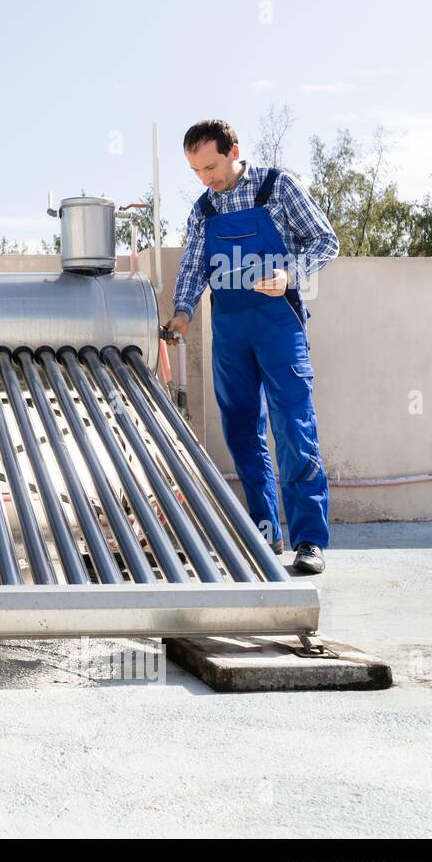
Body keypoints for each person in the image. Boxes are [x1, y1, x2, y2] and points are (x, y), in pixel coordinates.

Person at [164, 119, 339, 574]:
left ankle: (309, 541)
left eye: (210, 166)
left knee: (293, 427)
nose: (205, 179)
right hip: (230, 331)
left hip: (279, 327)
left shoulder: (277, 187)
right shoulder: (204, 209)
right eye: (196, 171)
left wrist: (289, 276)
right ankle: (265, 533)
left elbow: (325, 240)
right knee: (242, 430)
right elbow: (193, 267)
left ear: (233, 150)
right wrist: (182, 312)